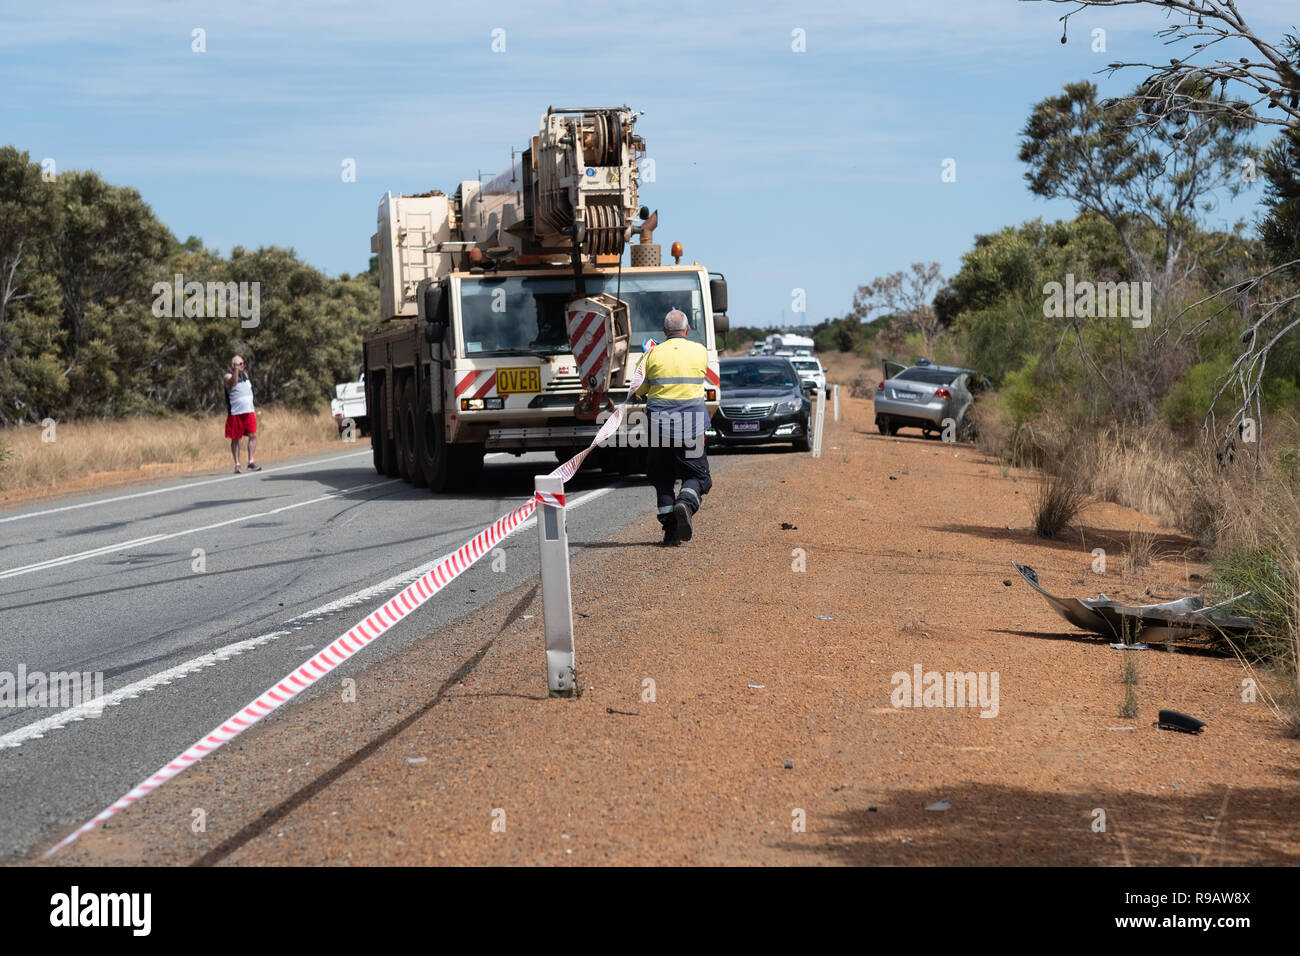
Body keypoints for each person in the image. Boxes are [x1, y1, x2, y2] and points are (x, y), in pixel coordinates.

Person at [635, 309, 712, 546]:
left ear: (664, 331)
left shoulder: (651, 354)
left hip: (659, 426)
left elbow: (639, 390)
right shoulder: (700, 351)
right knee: (698, 476)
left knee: (662, 477)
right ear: (687, 330)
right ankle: (686, 504)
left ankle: (670, 533)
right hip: (691, 425)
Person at [223, 355, 260, 473]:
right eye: (238, 364)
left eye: (242, 364)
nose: (241, 366)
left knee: (253, 435)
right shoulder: (228, 376)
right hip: (236, 413)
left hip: (249, 411)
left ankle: (251, 462)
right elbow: (233, 383)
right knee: (235, 439)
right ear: (233, 366)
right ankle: (237, 464)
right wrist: (236, 371)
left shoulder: (246, 376)